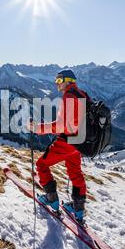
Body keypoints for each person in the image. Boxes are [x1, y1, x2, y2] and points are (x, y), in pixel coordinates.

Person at [29, 70, 89, 224]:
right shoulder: (82, 94)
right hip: (79, 142)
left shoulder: (69, 96)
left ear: (67, 80)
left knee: (41, 164)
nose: (56, 83)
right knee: (76, 173)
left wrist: (38, 128)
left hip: (67, 141)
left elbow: (62, 125)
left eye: (58, 80)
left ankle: (51, 200)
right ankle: (78, 209)